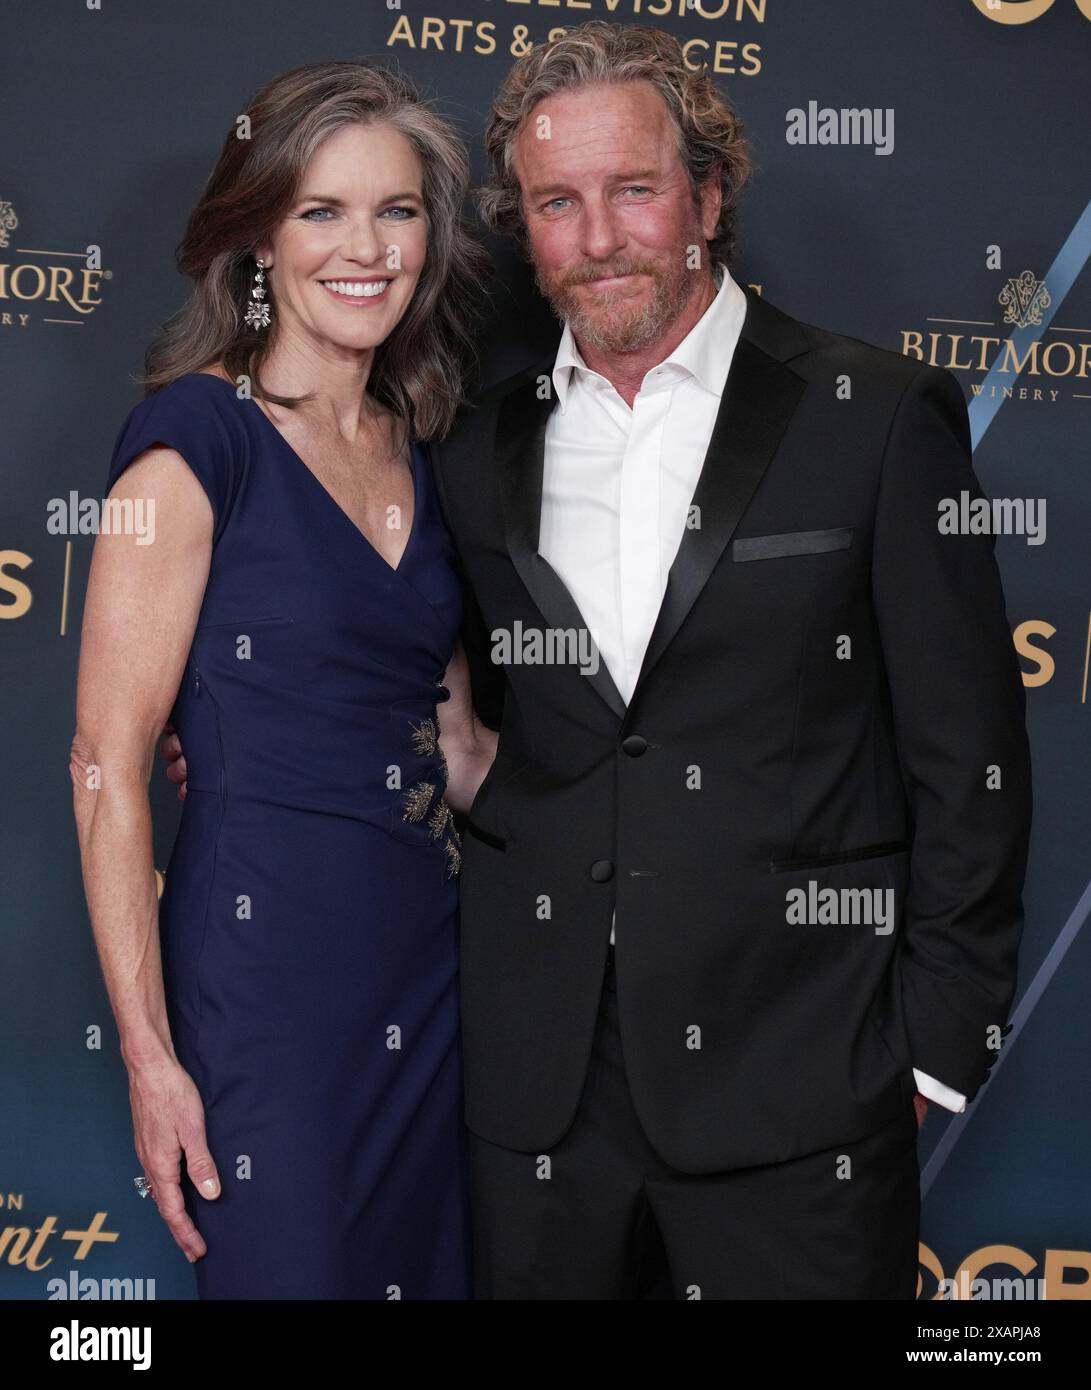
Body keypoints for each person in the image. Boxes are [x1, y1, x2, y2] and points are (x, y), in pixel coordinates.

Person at [163, 24, 1033, 1301]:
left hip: (802, 1090)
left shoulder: (874, 416)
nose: (598, 237)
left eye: (633, 190)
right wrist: (240, 729)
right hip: (528, 1098)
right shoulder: (469, 448)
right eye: (556, 204)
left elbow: (972, 766)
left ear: (708, 197)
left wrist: (925, 1059)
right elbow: (399, 677)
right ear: (522, 225)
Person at [71, 60, 495, 1299]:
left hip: (428, 968)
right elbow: (106, 764)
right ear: (260, 232)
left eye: (397, 211)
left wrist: (682, 838)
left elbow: (460, 747)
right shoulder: (195, 441)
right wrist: (152, 1060)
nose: (365, 248)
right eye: (322, 212)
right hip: (266, 989)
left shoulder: (414, 446)